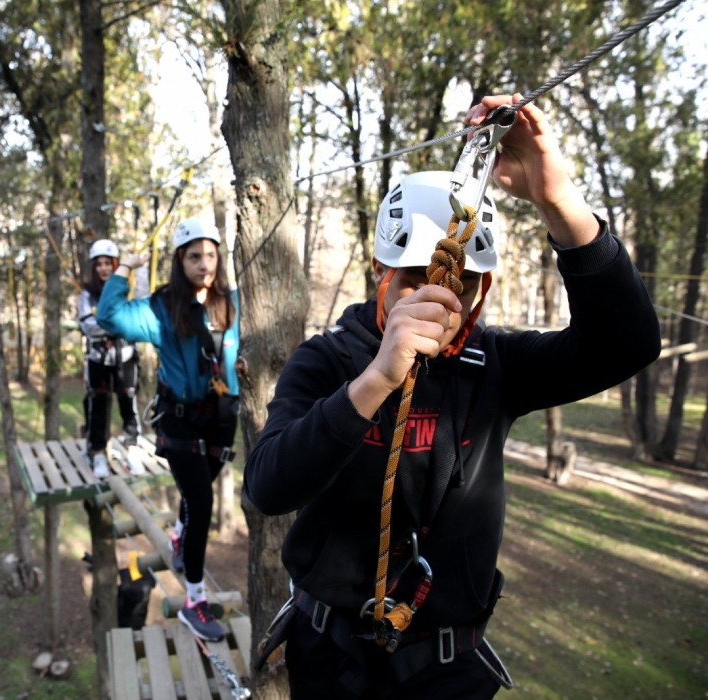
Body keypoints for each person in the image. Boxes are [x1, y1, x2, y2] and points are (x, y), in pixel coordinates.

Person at [244, 94, 661, 698]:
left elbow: (627, 344)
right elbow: (268, 486)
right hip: (332, 660)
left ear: (482, 289)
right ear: (378, 269)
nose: (438, 301)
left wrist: (558, 201)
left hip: (447, 671)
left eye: (460, 284)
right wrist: (375, 382)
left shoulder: (493, 366)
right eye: (417, 279)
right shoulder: (329, 361)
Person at [97, 217, 240, 642]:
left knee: (197, 496)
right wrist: (124, 269)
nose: (204, 264)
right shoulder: (162, 309)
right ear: (180, 260)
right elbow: (109, 316)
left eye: (210, 255)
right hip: (180, 422)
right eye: (195, 256)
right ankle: (194, 600)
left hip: (221, 419)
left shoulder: (230, 303)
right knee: (201, 502)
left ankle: (178, 539)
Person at [78, 239, 148, 478]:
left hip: (125, 356)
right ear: (94, 267)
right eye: (99, 264)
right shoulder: (88, 295)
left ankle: (132, 448)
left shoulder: (123, 289)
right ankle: (97, 452)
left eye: (109, 263)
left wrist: (140, 267)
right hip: (98, 358)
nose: (104, 268)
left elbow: (141, 303)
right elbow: (87, 326)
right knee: (96, 406)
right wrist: (118, 324)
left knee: (128, 403)